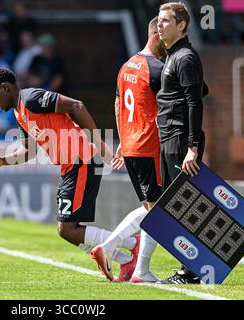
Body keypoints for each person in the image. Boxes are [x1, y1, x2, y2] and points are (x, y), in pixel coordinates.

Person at [0, 68, 139, 281]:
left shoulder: (31, 99)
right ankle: (126, 255)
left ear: (6, 87)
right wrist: (3, 161)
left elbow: (77, 105)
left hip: (82, 160)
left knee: (66, 229)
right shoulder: (19, 114)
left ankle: (131, 248)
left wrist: (99, 143)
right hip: (70, 167)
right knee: (67, 229)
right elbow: (30, 150)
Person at [90, 16, 167, 283]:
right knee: (159, 209)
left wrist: (123, 139)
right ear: (156, 35)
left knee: (151, 207)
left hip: (131, 144)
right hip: (149, 145)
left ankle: (111, 249)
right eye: (165, 38)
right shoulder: (156, 68)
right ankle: (136, 267)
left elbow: (117, 104)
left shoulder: (126, 66)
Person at [155, 2, 208, 284]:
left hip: (180, 139)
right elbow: (201, 89)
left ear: (182, 25)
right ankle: (187, 267)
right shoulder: (174, 55)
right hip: (170, 137)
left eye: (165, 20)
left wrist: (192, 147)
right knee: (174, 205)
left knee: (184, 205)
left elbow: (195, 102)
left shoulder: (185, 56)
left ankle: (191, 271)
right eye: (159, 20)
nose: (159, 25)